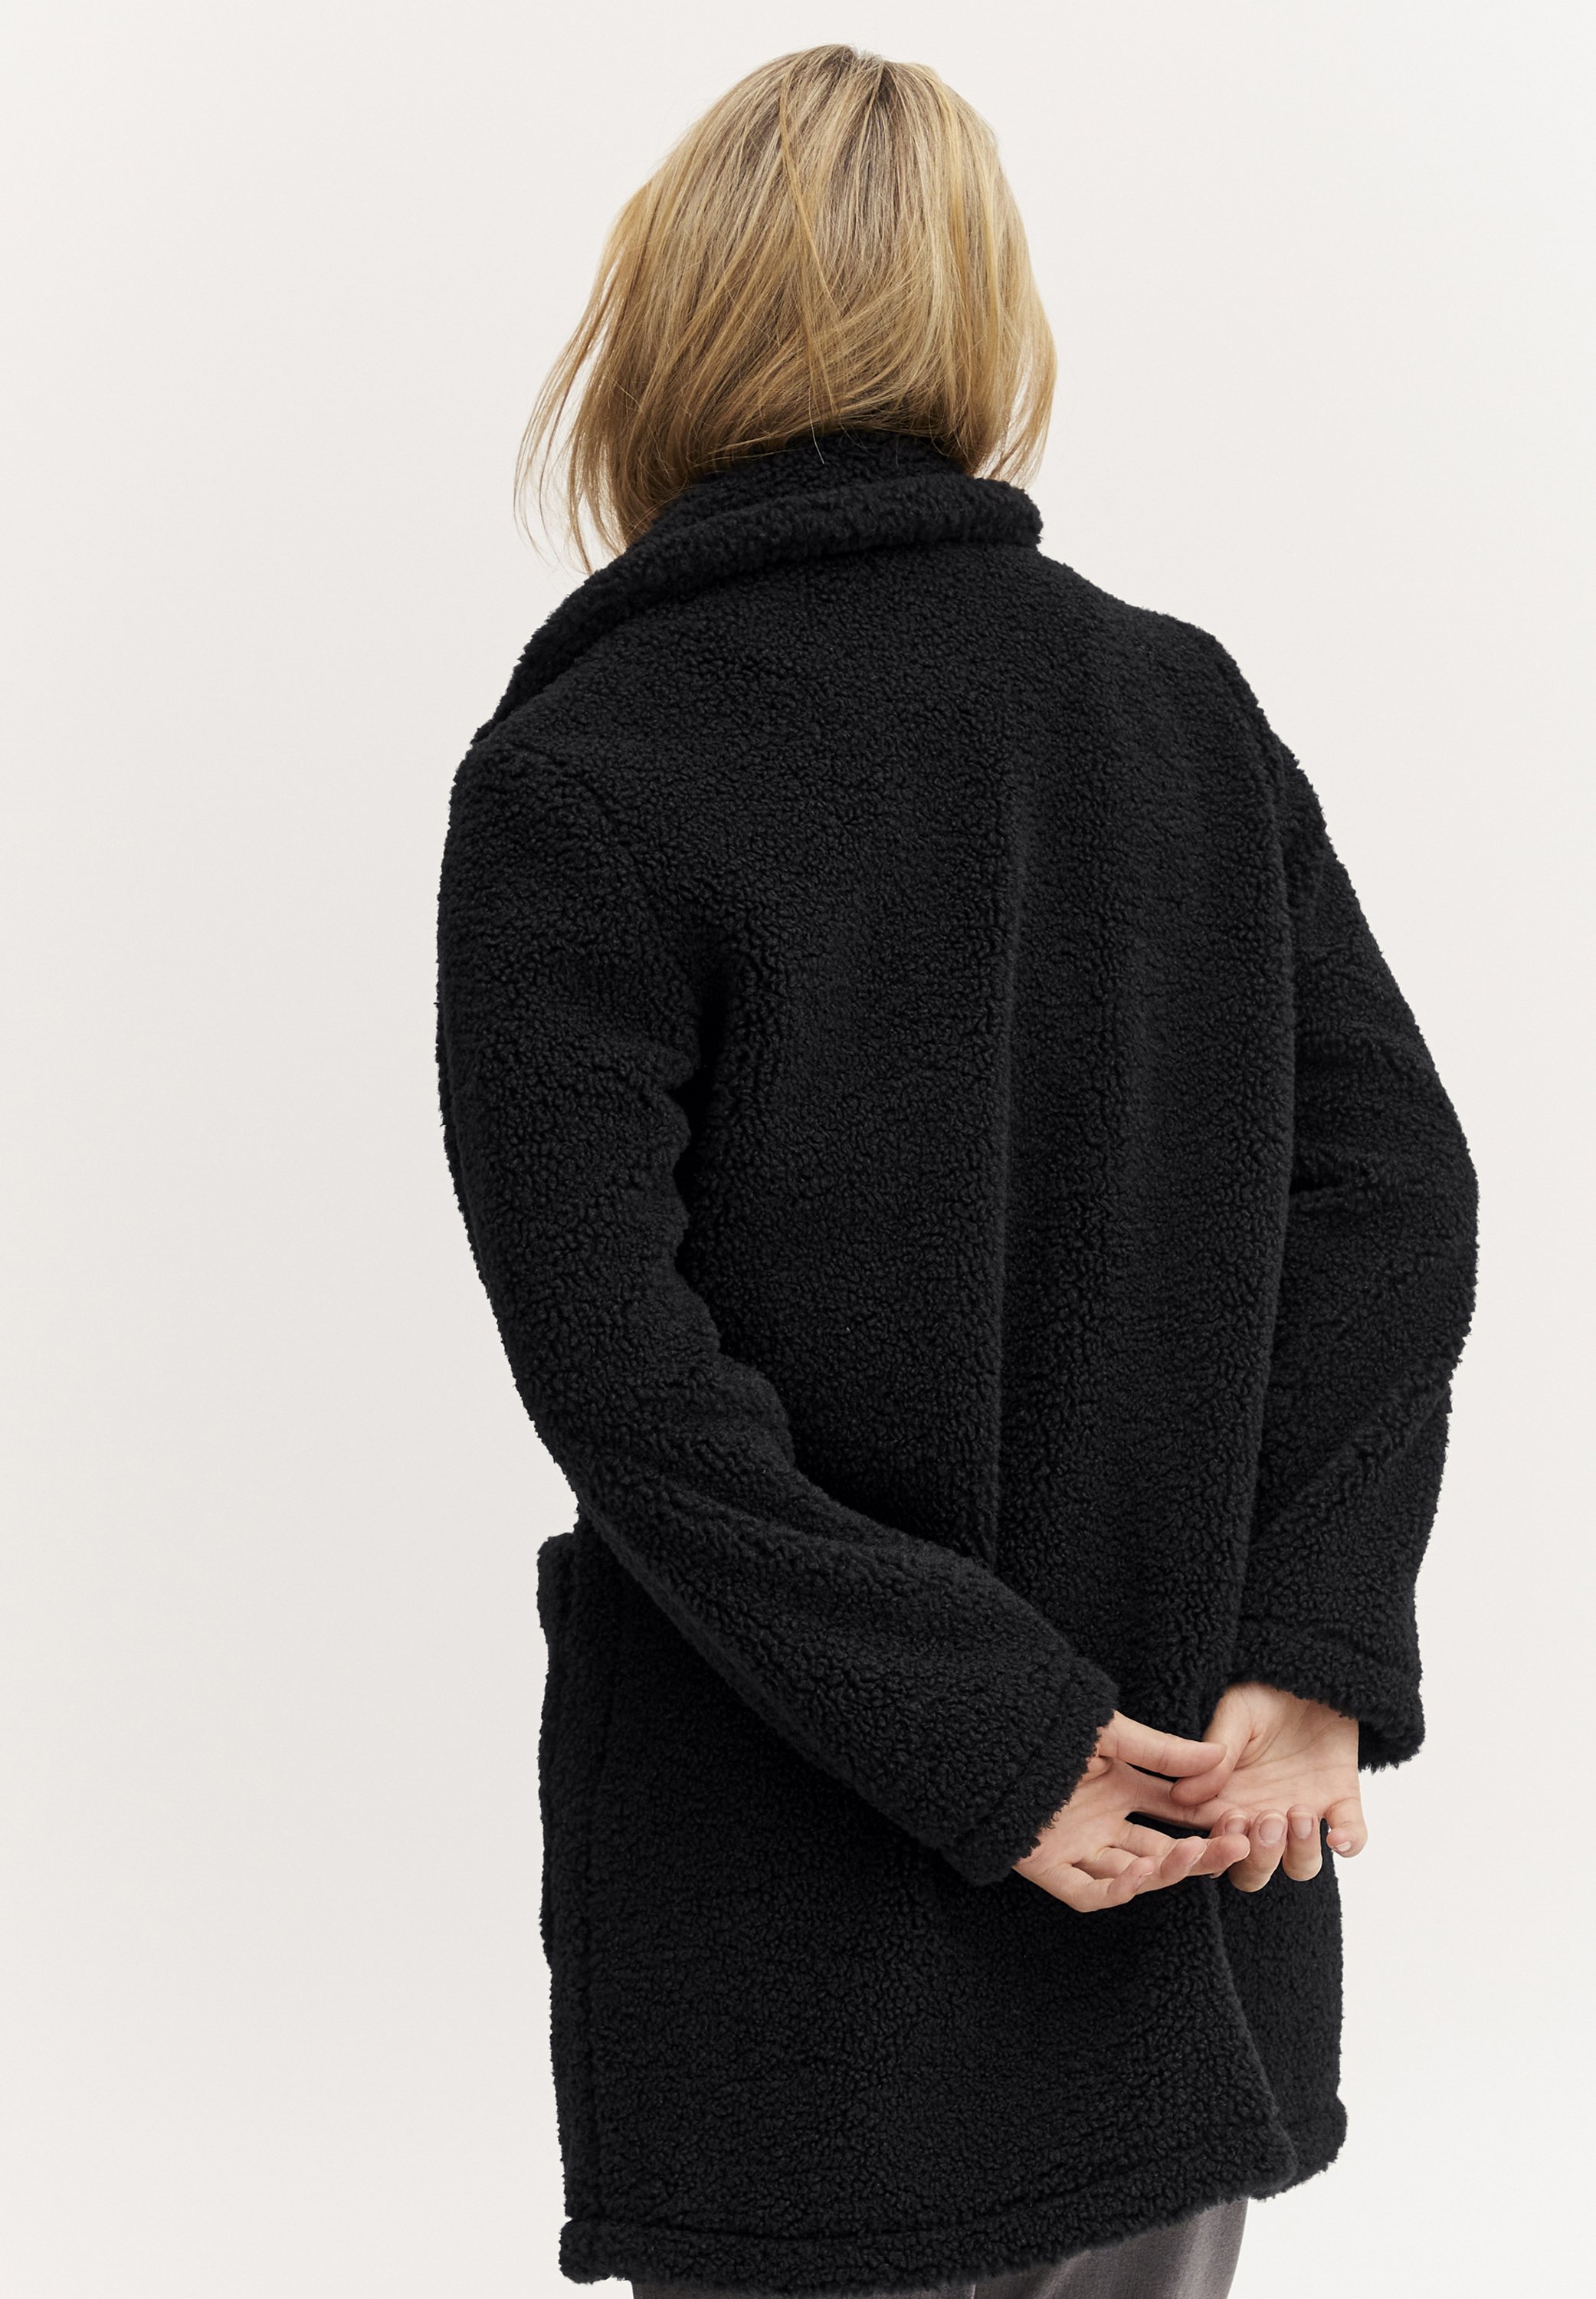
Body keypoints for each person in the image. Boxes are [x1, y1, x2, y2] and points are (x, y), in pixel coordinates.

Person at [434, 44, 1478, 2299]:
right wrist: (1299, 1658)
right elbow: (1397, 1200)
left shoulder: (585, 772)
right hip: (1181, 1881)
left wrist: (1004, 1742)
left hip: (810, 1936)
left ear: (655, 327)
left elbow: (622, 1376)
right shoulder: (1173, 711)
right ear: (987, 321)